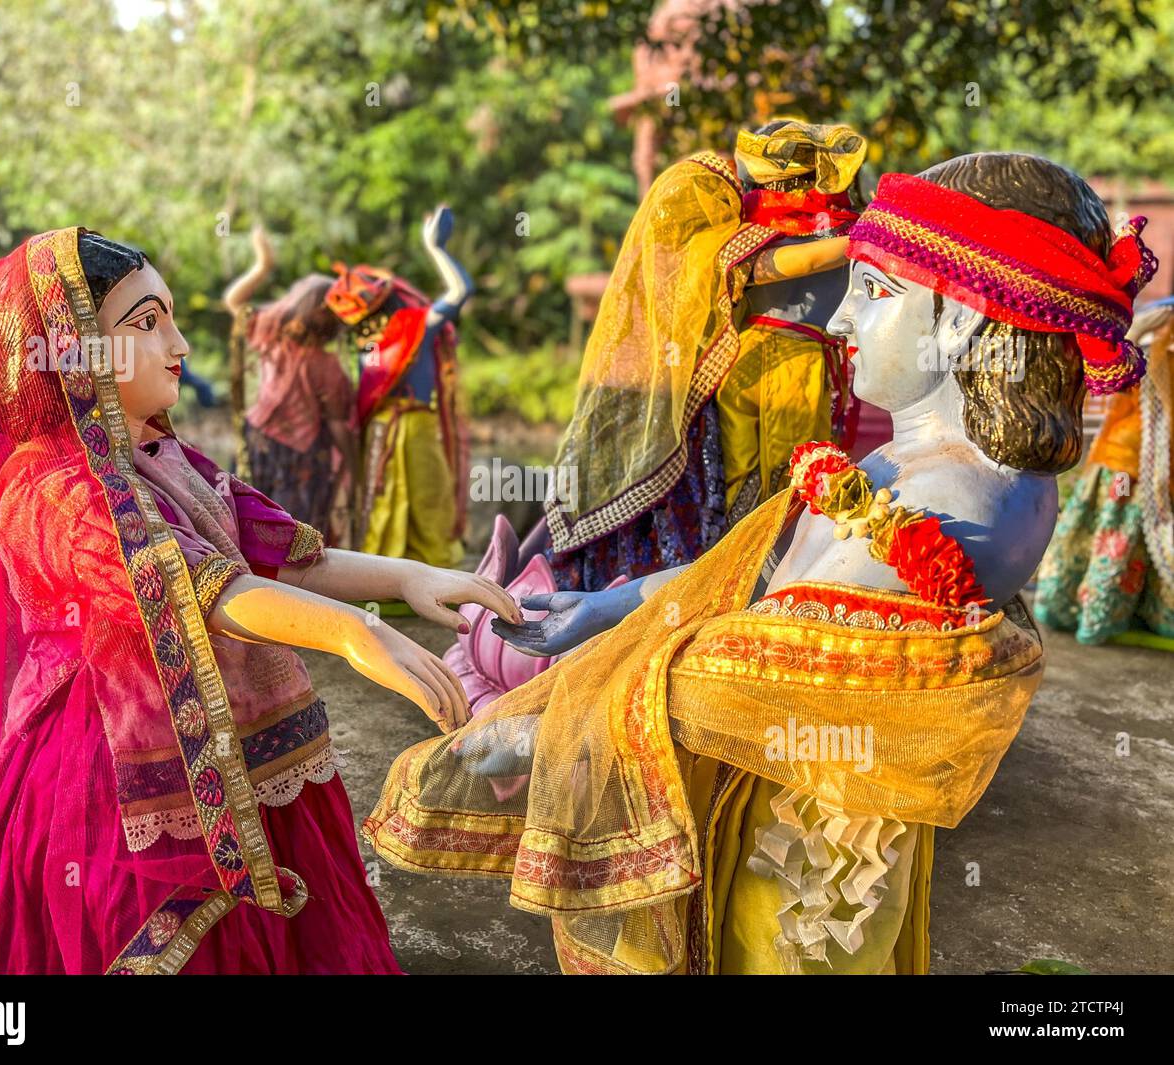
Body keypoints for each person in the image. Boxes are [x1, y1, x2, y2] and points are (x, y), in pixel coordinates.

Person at [365, 152, 1156, 974]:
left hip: (807, 854)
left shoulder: (952, 511)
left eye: (875, 292)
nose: (842, 322)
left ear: (962, 319)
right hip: (784, 790)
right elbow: (765, 576)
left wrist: (548, 732)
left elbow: (747, 673)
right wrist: (617, 602)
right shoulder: (923, 473)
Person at [0, 228, 520, 974]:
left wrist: (407, 576)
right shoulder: (49, 487)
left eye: (171, 317)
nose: (179, 343)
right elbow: (196, 586)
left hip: (239, 745)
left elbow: (277, 551)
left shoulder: (160, 450)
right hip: (111, 778)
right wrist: (352, 633)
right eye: (146, 324)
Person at [544, 120, 869, 592]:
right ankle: (749, 587)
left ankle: (779, 585)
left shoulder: (821, 224)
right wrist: (872, 237)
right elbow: (789, 264)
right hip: (760, 371)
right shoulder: (734, 238)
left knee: (806, 488)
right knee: (761, 493)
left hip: (813, 369)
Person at [327, 205, 471, 567]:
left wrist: (436, 249)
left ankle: (432, 579)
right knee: (383, 504)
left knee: (426, 501)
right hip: (385, 432)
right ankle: (388, 582)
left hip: (412, 427)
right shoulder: (373, 342)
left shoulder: (414, 326)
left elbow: (460, 291)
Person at [1033, 297, 1174, 645]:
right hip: (1124, 468)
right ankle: (1101, 611)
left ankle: (1104, 609)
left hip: (1131, 465)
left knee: (1118, 530)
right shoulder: (1149, 355)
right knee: (1116, 528)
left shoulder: (1151, 356)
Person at [226, 228, 357, 544]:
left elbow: (235, 300)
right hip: (299, 454)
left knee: (253, 518)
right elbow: (338, 425)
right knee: (292, 531)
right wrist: (356, 463)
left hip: (260, 441)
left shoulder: (271, 336)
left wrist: (263, 266)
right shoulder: (324, 364)